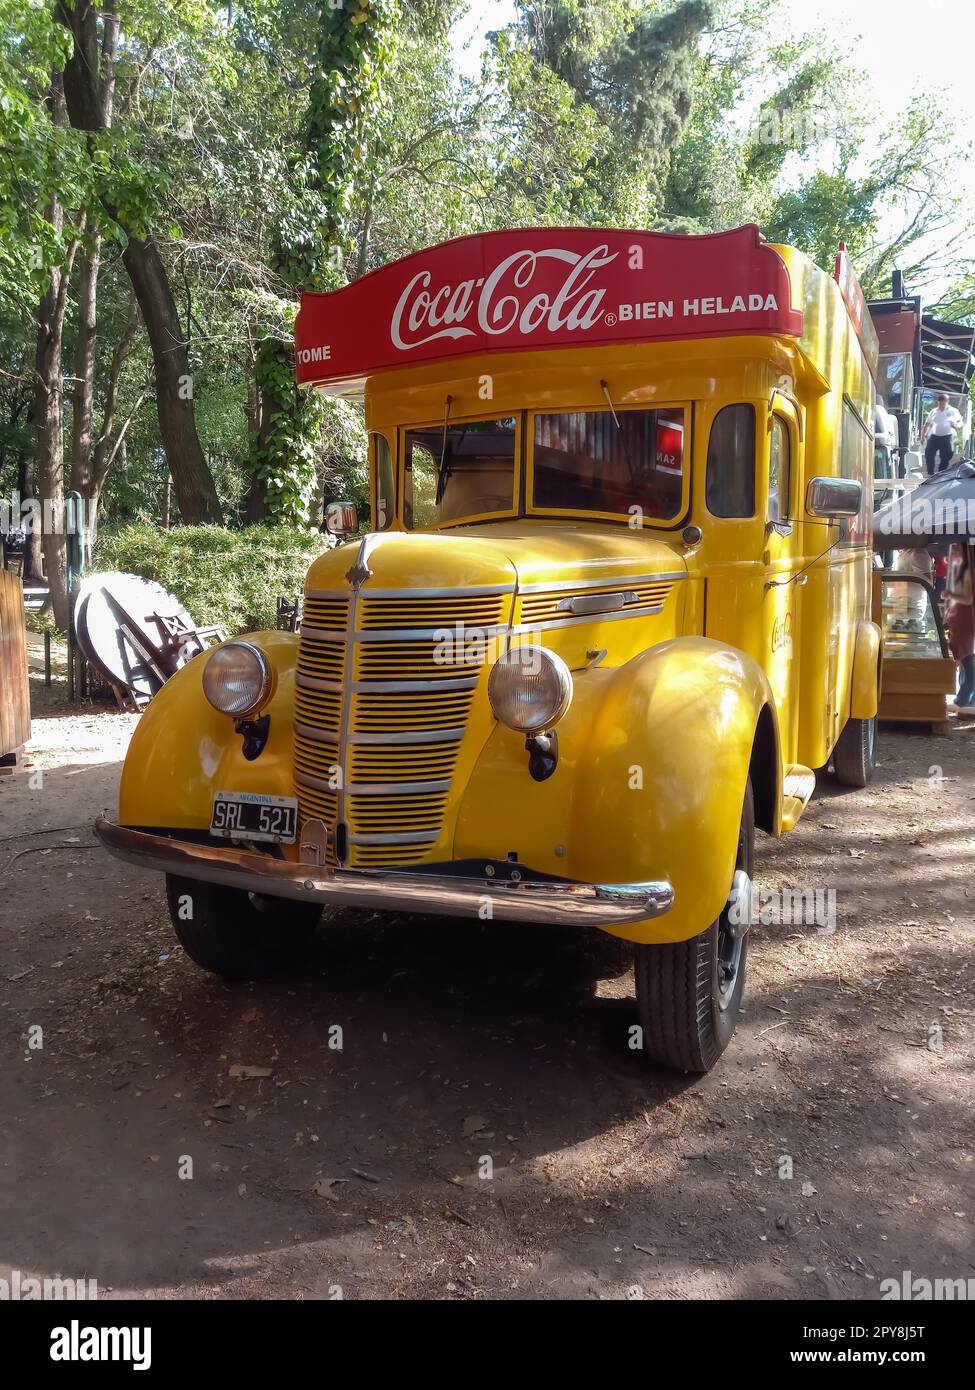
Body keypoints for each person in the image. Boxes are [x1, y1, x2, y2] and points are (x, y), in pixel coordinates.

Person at [944, 543, 975, 710]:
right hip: (959, 617)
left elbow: (966, 596)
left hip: (965, 618)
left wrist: (949, 594)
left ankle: (964, 698)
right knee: (965, 658)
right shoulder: (960, 565)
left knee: (967, 658)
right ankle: (967, 699)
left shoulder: (966, 567)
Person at [922, 393, 963, 475]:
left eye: (943, 403)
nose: (941, 405)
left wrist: (955, 425)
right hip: (934, 436)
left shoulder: (953, 411)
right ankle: (930, 473)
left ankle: (941, 472)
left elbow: (960, 422)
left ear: (947, 402)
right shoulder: (933, 411)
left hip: (947, 436)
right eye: (939, 403)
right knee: (928, 454)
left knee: (947, 454)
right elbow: (927, 424)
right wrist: (923, 435)